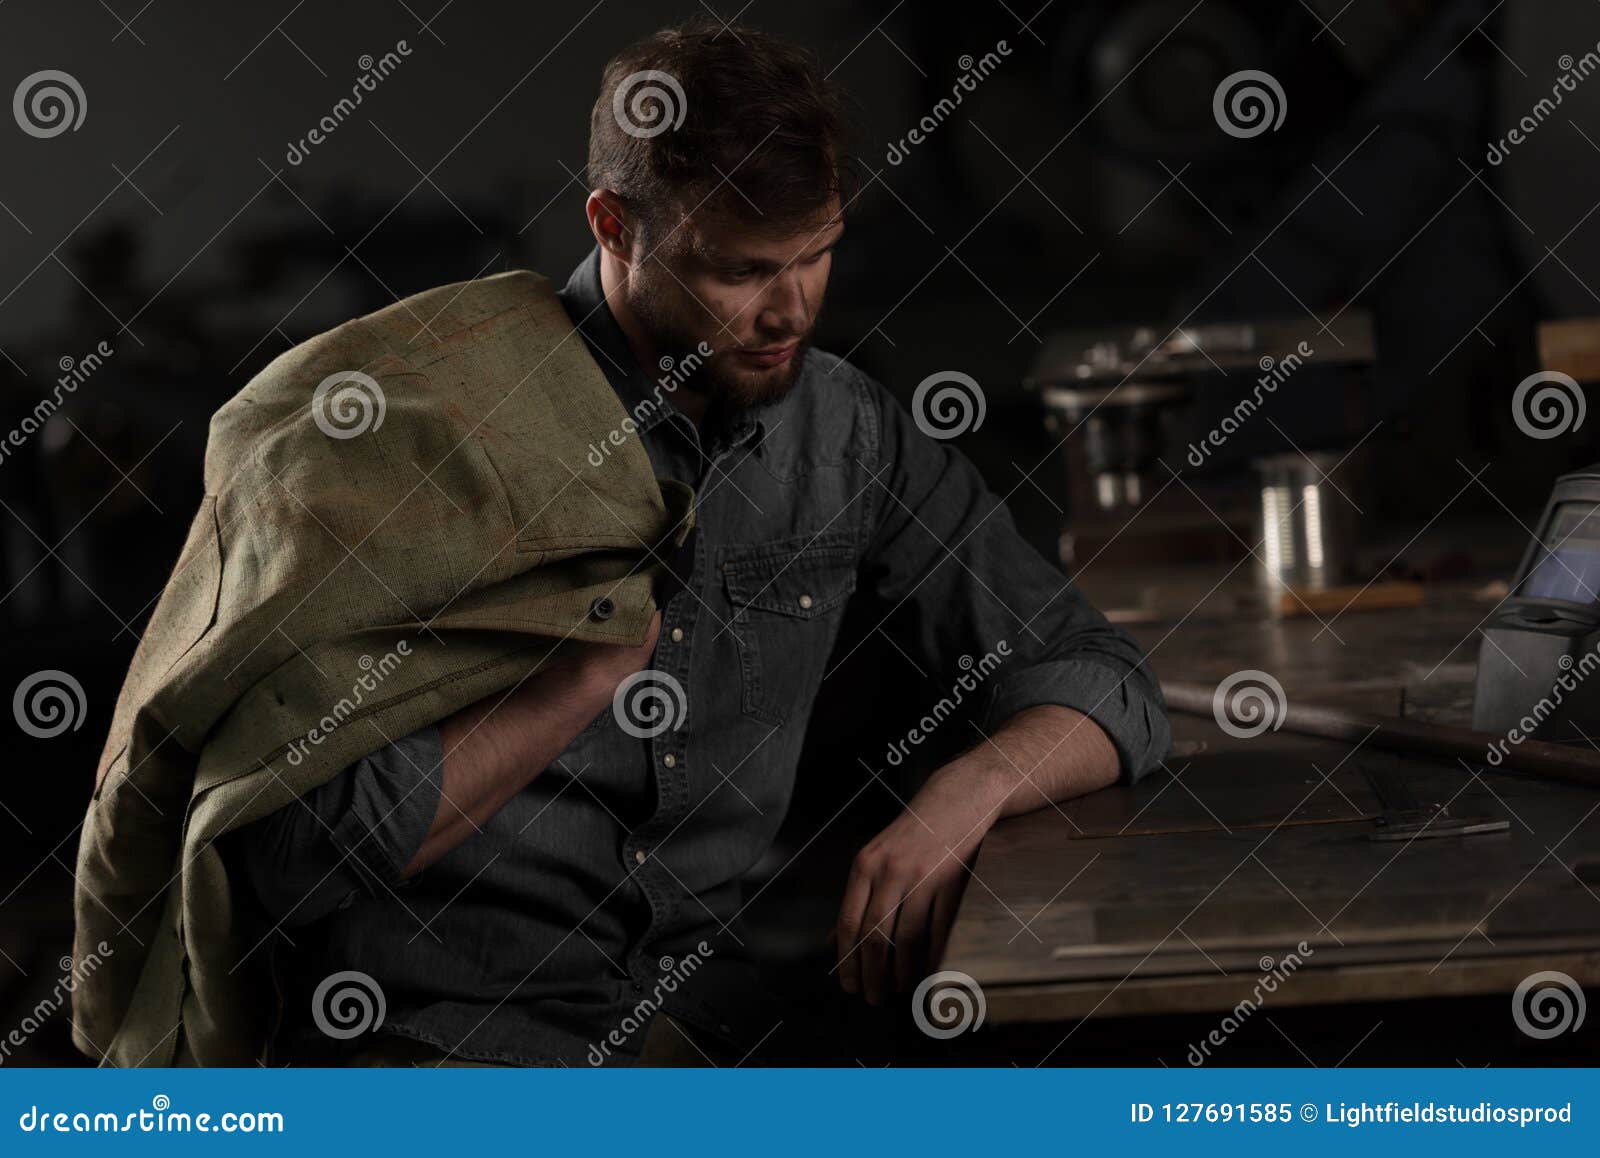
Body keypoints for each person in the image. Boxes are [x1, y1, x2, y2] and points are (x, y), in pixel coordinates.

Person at [232, 19, 1170, 1067]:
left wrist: (962, 795)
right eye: (740, 271)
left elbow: (1103, 677)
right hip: (439, 1040)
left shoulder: (845, 435)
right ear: (613, 226)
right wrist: (571, 684)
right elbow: (291, 853)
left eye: (818, 254)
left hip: (707, 1017)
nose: (791, 310)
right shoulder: (430, 442)